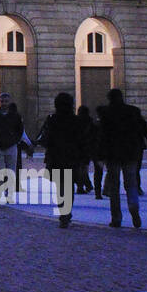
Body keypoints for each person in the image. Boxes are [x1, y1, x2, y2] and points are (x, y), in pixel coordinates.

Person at [97, 89, 147, 229]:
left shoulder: (105, 113)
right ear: (121, 97)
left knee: (114, 188)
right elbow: (144, 126)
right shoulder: (133, 110)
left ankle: (116, 218)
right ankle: (134, 207)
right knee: (131, 184)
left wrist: (99, 155)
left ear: (109, 98)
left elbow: (102, 135)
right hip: (130, 152)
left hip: (112, 154)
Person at [37, 92, 82, 227]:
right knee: (69, 187)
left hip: (55, 157)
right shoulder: (76, 121)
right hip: (71, 158)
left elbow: (44, 138)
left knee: (60, 187)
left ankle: (63, 212)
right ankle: (66, 213)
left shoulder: (51, 119)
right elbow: (81, 140)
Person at [0, 93, 23, 205]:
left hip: (11, 146)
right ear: (0, 102)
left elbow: (20, 130)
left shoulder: (15, 116)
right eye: (2, 101)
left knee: (11, 172)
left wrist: (15, 140)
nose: (4, 103)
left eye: (6, 101)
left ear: (9, 102)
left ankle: (10, 194)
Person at [76, 105, 102, 196]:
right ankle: (87, 185)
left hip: (79, 148)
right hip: (89, 147)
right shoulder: (91, 122)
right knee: (85, 168)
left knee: (81, 168)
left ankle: (82, 186)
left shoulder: (76, 121)